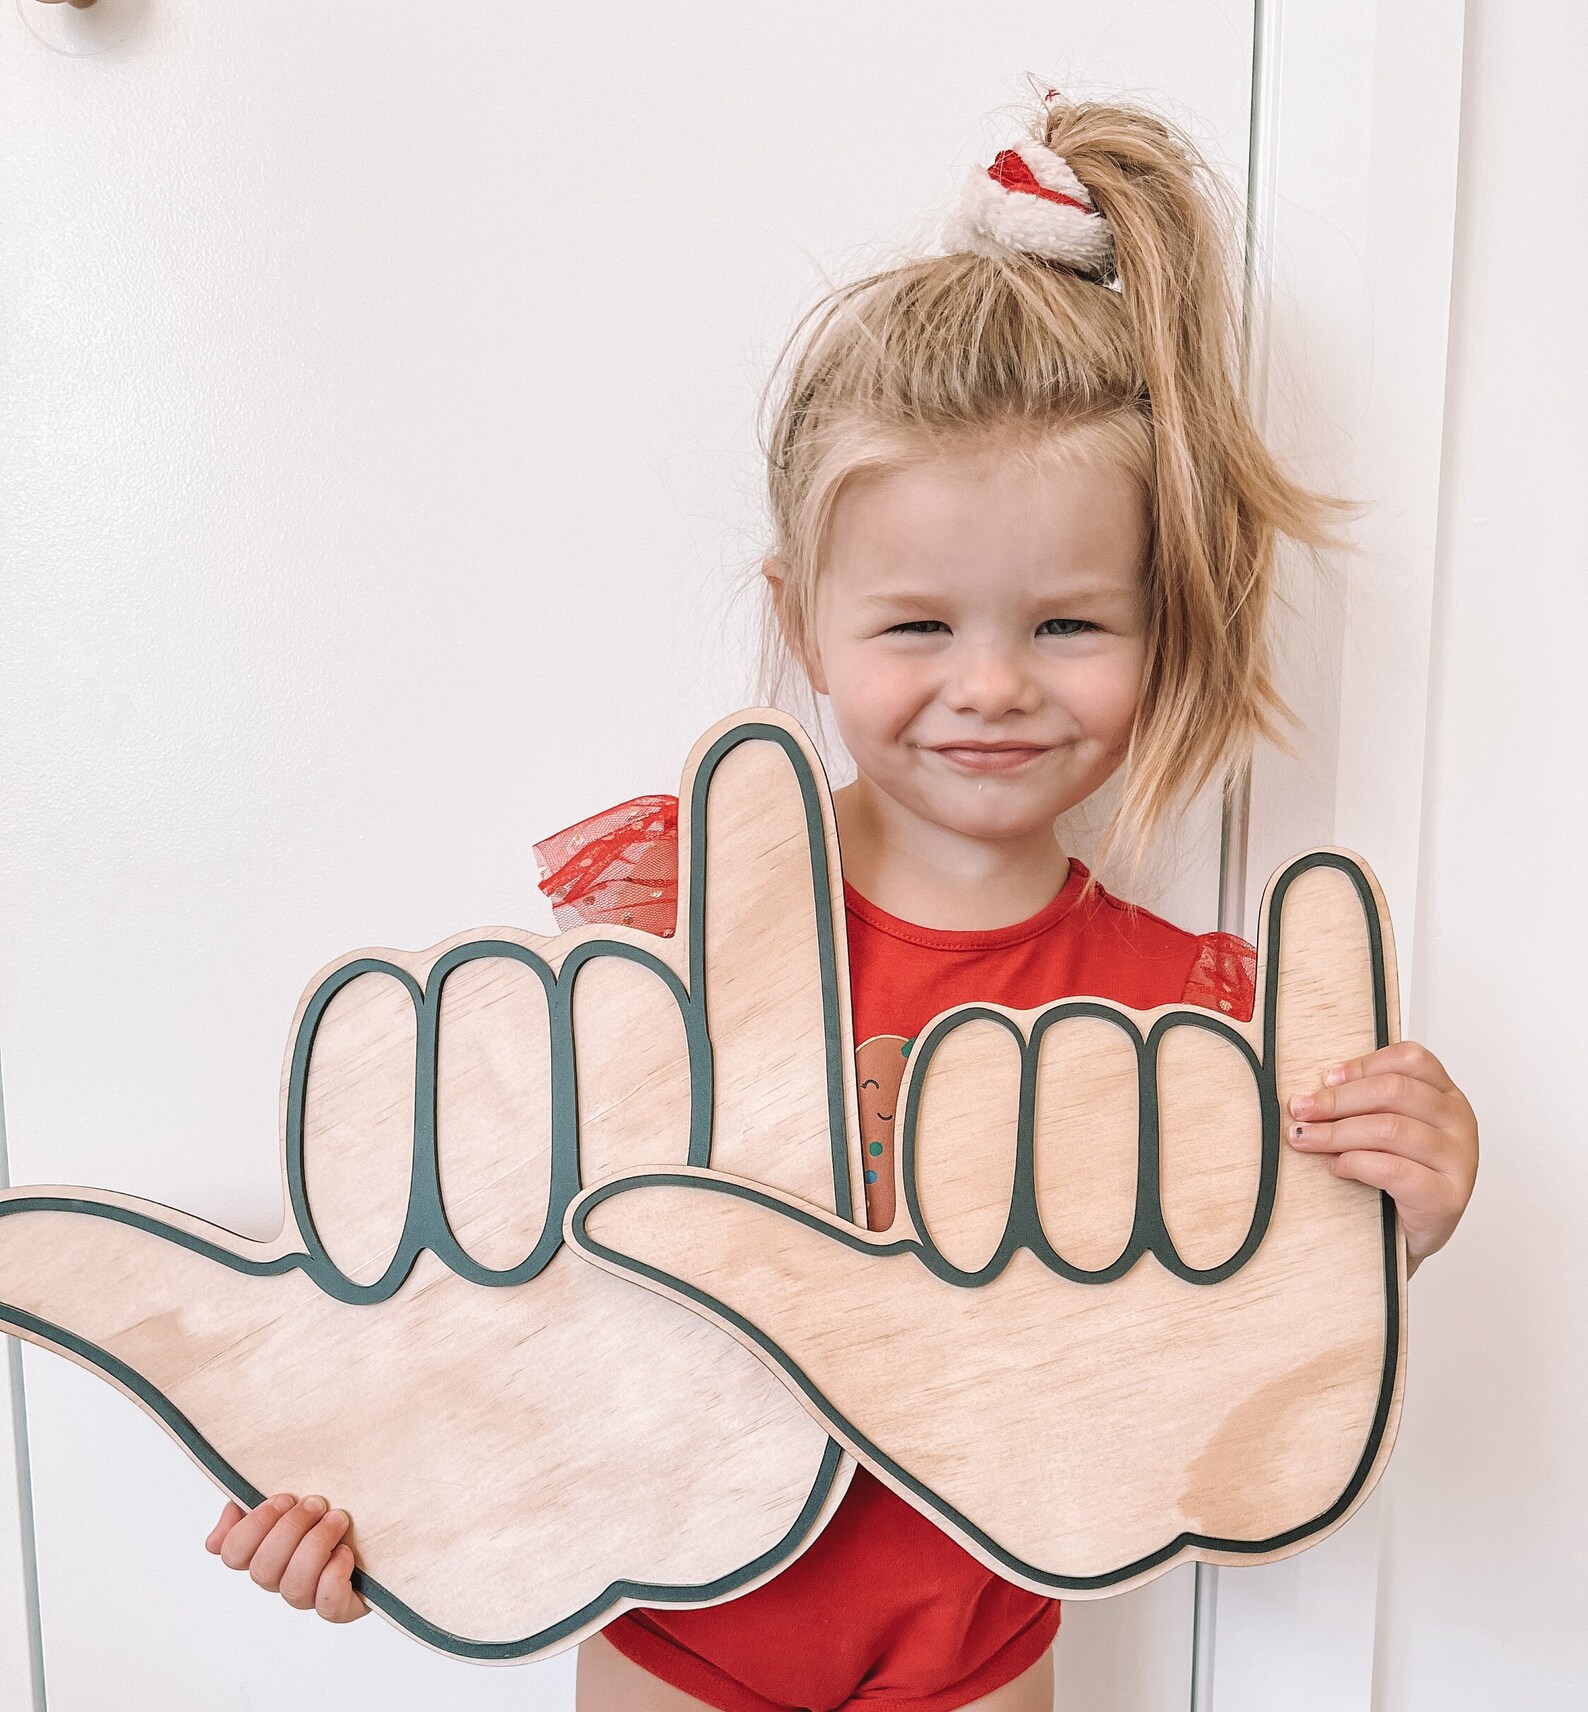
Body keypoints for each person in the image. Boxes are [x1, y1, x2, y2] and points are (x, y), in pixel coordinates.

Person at [204, 88, 1480, 1711]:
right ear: (803, 624)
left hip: (977, 1658)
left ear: (1165, 628)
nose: (995, 688)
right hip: (667, 1626)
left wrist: (1391, 1224)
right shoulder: (670, 937)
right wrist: (355, 1484)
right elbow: (497, 1269)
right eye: (920, 626)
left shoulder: (1193, 1018)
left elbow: (1237, 1339)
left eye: (1071, 625)